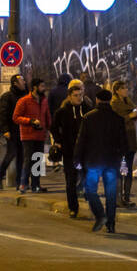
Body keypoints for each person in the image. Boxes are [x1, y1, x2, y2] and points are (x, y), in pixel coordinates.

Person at [75, 88, 131, 234]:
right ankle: (111, 225)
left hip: (93, 161)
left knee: (91, 191)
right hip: (112, 162)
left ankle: (100, 215)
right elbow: (124, 143)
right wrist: (122, 160)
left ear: (97, 100)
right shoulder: (118, 119)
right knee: (111, 194)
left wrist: (77, 159)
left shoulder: (88, 118)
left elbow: (81, 141)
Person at [51, 81, 92, 218]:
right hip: (69, 151)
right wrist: (58, 141)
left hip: (85, 150)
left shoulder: (87, 109)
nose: (79, 98)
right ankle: (73, 207)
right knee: (70, 180)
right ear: (69, 96)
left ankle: (90, 200)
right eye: (76, 95)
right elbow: (53, 127)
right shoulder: (62, 112)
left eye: (80, 95)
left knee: (89, 176)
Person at [12, 77, 51, 193]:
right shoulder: (24, 100)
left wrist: (49, 128)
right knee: (28, 160)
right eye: (42, 86)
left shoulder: (44, 100)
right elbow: (16, 117)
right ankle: (23, 184)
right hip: (28, 135)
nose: (44, 89)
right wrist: (30, 121)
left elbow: (47, 115)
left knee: (38, 160)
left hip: (40, 134)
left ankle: (36, 185)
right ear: (35, 87)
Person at [109, 81, 137, 208]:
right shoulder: (114, 104)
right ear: (116, 90)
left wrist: (133, 114)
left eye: (126, 87)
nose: (126, 90)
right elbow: (117, 120)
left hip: (130, 139)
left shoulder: (128, 101)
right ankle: (118, 198)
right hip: (120, 140)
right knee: (120, 171)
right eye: (123, 88)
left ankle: (126, 197)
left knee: (128, 171)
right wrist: (130, 116)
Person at [0, 74, 28, 190]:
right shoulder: (7, 97)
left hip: (24, 130)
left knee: (21, 156)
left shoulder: (26, 96)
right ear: (15, 83)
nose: (24, 82)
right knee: (12, 153)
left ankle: (19, 181)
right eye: (22, 81)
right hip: (12, 130)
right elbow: (2, 114)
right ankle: (0, 175)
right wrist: (5, 129)